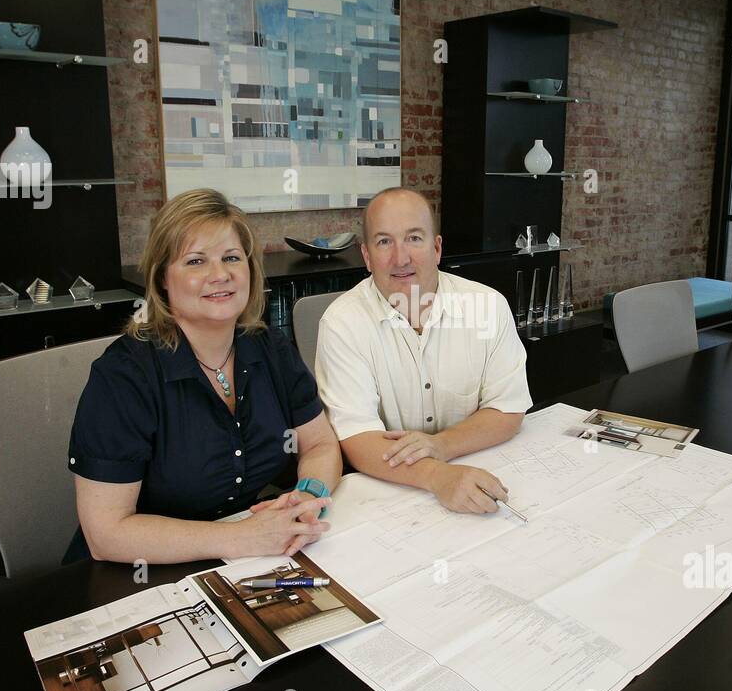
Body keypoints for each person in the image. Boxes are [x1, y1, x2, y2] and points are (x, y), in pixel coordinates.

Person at [64, 189, 341, 564]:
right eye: (196, 261)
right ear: (162, 278)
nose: (220, 275)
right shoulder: (123, 377)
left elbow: (320, 445)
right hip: (137, 573)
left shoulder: (269, 348)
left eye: (231, 257)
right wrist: (240, 537)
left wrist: (307, 498)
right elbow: (106, 534)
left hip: (243, 556)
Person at [314, 188, 532, 514]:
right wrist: (437, 476)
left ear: (437, 247)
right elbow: (357, 438)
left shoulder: (488, 307)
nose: (400, 258)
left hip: (477, 463)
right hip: (389, 490)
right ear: (367, 256)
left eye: (414, 238)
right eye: (384, 241)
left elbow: (508, 410)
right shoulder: (341, 323)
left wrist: (440, 445)